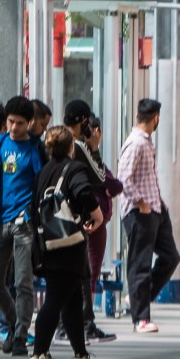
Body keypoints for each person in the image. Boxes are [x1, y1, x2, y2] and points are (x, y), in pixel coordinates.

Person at [0, 96, 44, 357]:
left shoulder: (37, 148)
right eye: (11, 122)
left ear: (30, 123)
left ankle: (21, 335)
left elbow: (44, 183)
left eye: (20, 123)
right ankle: (15, 323)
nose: (14, 127)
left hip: (25, 223)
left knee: (24, 282)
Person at [29, 125, 101, 359]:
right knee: (55, 300)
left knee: (72, 300)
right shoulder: (74, 169)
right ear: (71, 146)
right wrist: (97, 216)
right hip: (69, 245)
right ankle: (38, 355)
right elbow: (83, 192)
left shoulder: (43, 173)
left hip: (47, 244)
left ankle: (81, 356)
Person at [117, 97, 180, 334]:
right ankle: (140, 318)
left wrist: (158, 205)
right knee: (140, 263)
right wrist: (141, 202)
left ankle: (138, 298)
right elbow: (124, 179)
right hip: (139, 212)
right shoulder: (136, 144)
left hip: (155, 209)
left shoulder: (145, 142)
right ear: (155, 118)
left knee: (171, 256)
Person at [62, 100, 122, 345]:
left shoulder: (54, 140)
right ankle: (83, 324)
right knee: (82, 273)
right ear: (84, 121)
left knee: (65, 275)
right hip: (76, 218)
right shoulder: (78, 146)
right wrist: (94, 147)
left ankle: (66, 325)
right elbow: (99, 178)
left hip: (54, 217)